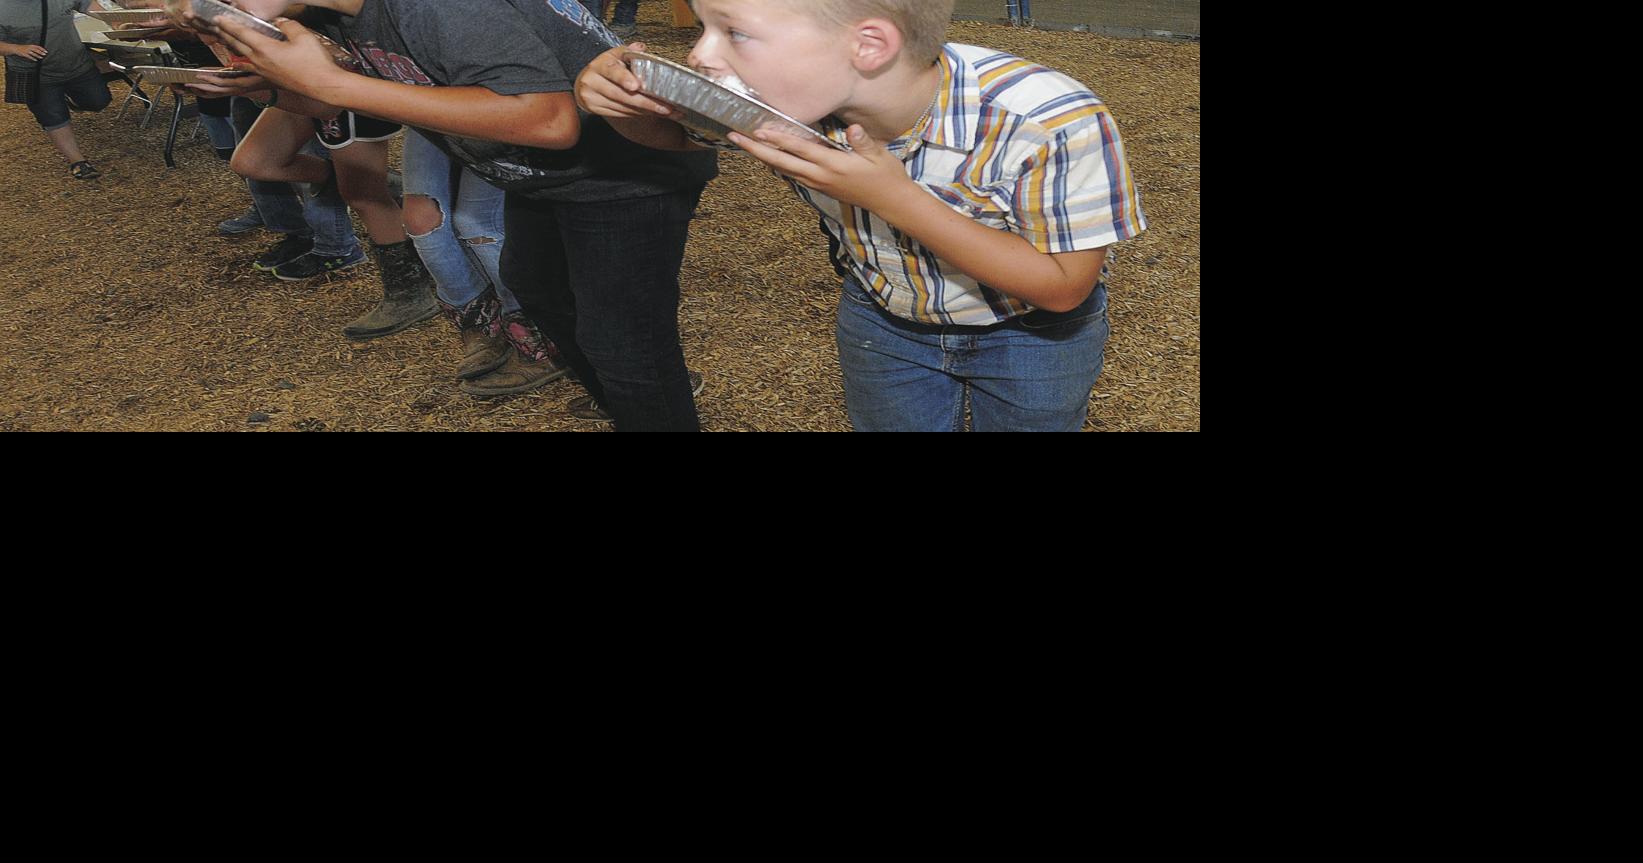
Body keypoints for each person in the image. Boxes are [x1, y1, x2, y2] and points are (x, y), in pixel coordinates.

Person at [577, 0, 1147, 432]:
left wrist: (893, 198)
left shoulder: (1048, 121)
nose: (701, 55)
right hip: (883, 318)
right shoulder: (782, 104)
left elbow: (1065, 288)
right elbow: (675, 135)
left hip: (1033, 336)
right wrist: (617, 104)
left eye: (735, 33)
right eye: (704, 27)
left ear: (868, 46)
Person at [198, 0, 718, 423]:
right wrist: (272, 86)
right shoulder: (336, 15)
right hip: (547, 179)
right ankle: (628, 404)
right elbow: (367, 100)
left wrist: (333, 84)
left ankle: (646, 400)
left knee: (622, 341)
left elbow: (551, 121)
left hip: (622, 174)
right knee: (536, 288)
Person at [1, 0, 116, 179]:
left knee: (98, 101)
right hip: (34, 73)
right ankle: (78, 162)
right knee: (53, 117)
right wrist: (16, 48)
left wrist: (113, 21)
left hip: (76, 62)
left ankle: (67, 99)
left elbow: (85, 4)